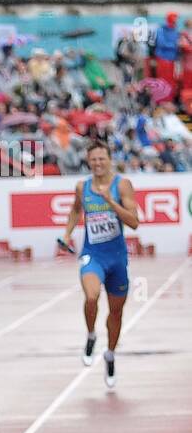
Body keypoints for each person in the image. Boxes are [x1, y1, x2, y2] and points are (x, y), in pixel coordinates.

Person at [61, 141, 139, 389]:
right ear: (88, 161)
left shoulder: (122, 185)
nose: (97, 164)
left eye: (101, 159)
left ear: (109, 159)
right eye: (93, 160)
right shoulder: (82, 186)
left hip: (117, 259)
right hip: (92, 256)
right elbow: (75, 211)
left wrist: (110, 202)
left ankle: (110, 354)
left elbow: (134, 222)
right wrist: (67, 234)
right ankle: (91, 334)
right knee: (92, 296)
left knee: (116, 312)